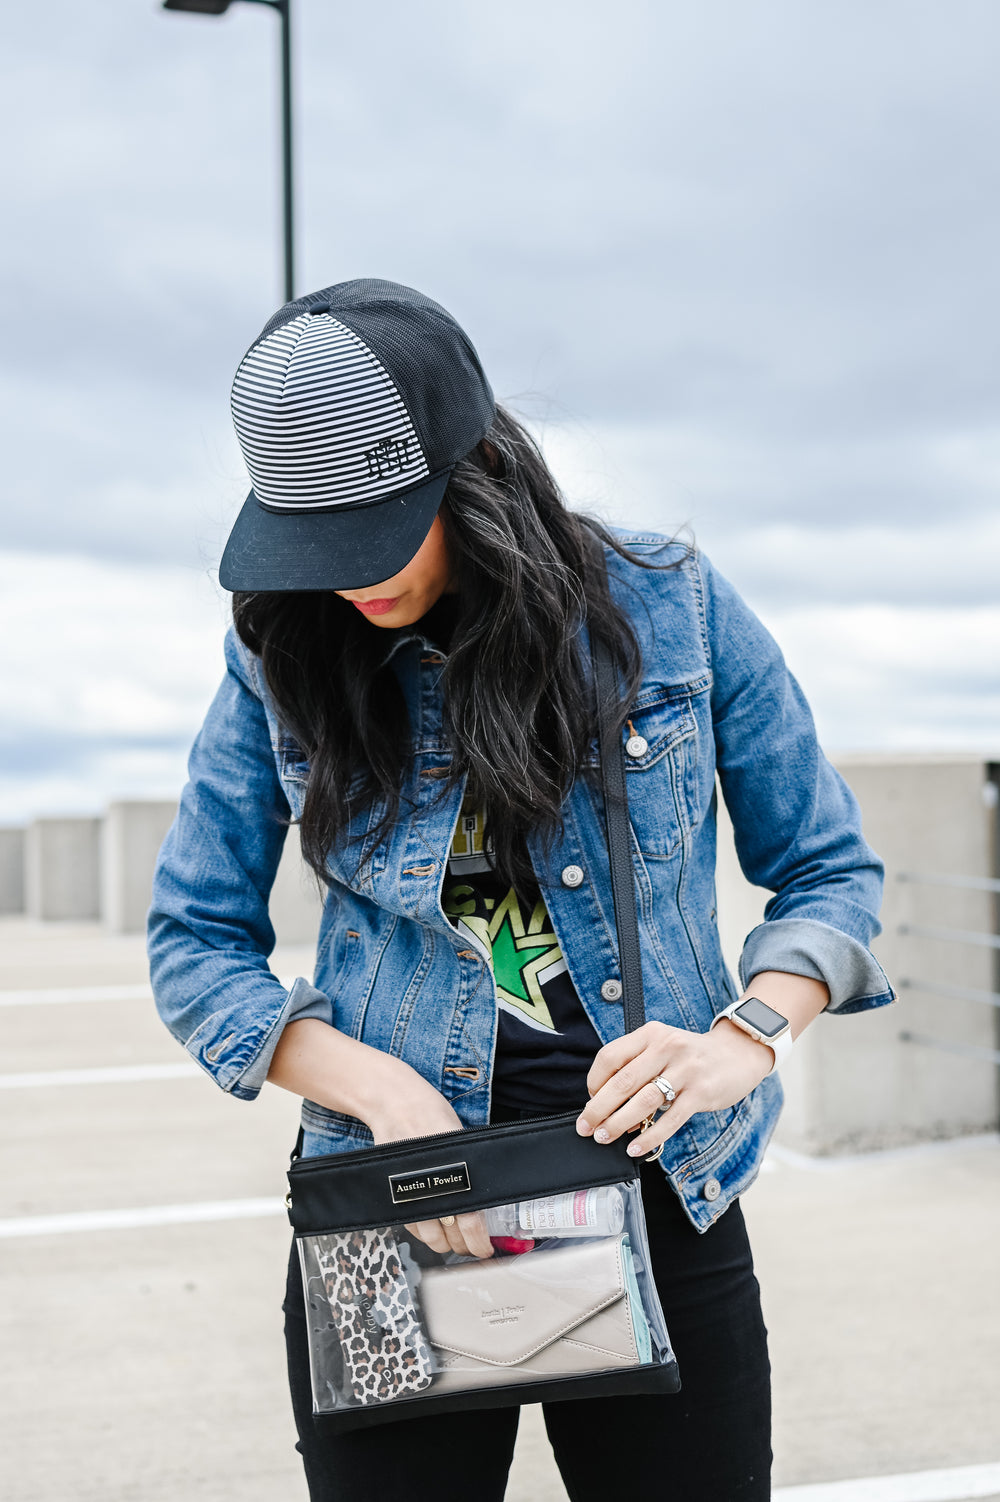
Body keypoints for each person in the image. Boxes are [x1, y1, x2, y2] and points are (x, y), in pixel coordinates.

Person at [148, 278, 893, 1501]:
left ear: (468, 474)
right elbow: (193, 938)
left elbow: (828, 868)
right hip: (397, 1207)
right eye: (312, 539)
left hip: (661, 1192)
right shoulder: (282, 654)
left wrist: (744, 1036)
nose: (345, 579)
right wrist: (377, 1088)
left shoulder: (672, 609)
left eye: (373, 530)